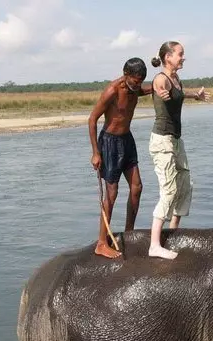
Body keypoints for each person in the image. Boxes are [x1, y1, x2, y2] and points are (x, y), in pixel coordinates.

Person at [88, 57, 168, 259]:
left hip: (127, 140)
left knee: (137, 187)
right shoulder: (112, 90)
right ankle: (101, 242)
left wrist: (160, 84)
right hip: (109, 143)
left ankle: (129, 231)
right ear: (125, 75)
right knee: (112, 194)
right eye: (134, 81)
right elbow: (92, 119)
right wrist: (96, 152)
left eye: (140, 81)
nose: (137, 85)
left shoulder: (135, 89)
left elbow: (144, 90)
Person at [148, 41, 210, 259]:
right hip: (162, 141)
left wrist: (196, 95)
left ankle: (172, 233)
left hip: (176, 141)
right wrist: (160, 91)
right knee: (168, 190)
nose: (184, 58)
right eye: (180, 54)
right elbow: (158, 86)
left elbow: (178, 94)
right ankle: (154, 245)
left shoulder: (176, 79)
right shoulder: (161, 78)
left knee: (185, 184)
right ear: (168, 57)